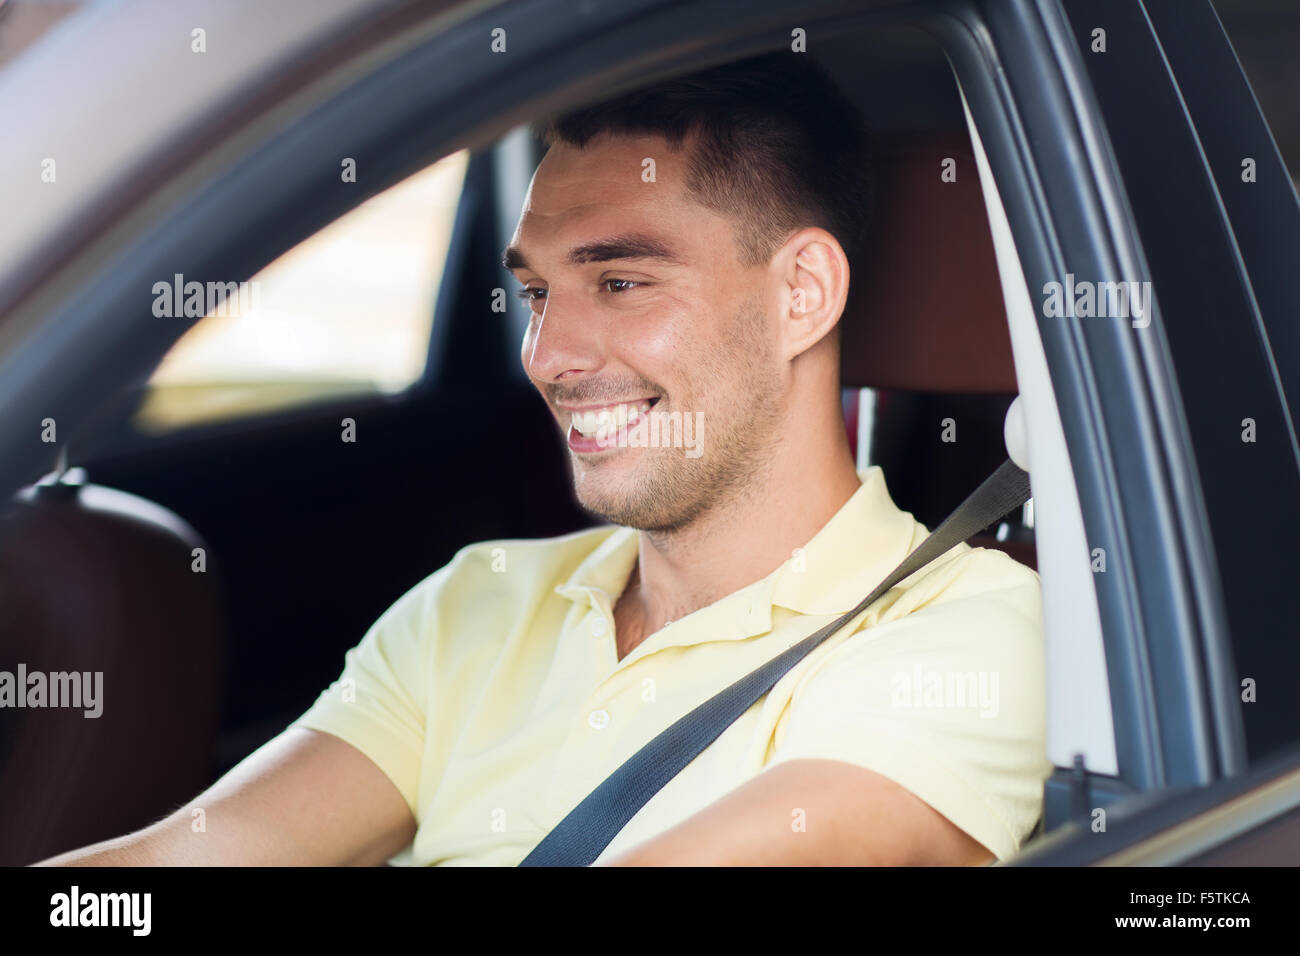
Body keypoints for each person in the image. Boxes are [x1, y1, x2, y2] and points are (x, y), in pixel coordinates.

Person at [39, 52, 1048, 867]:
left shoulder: (961, 631)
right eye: (536, 294)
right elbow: (184, 860)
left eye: (618, 281)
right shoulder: (479, 602)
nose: (549, 356)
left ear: (800, 295)